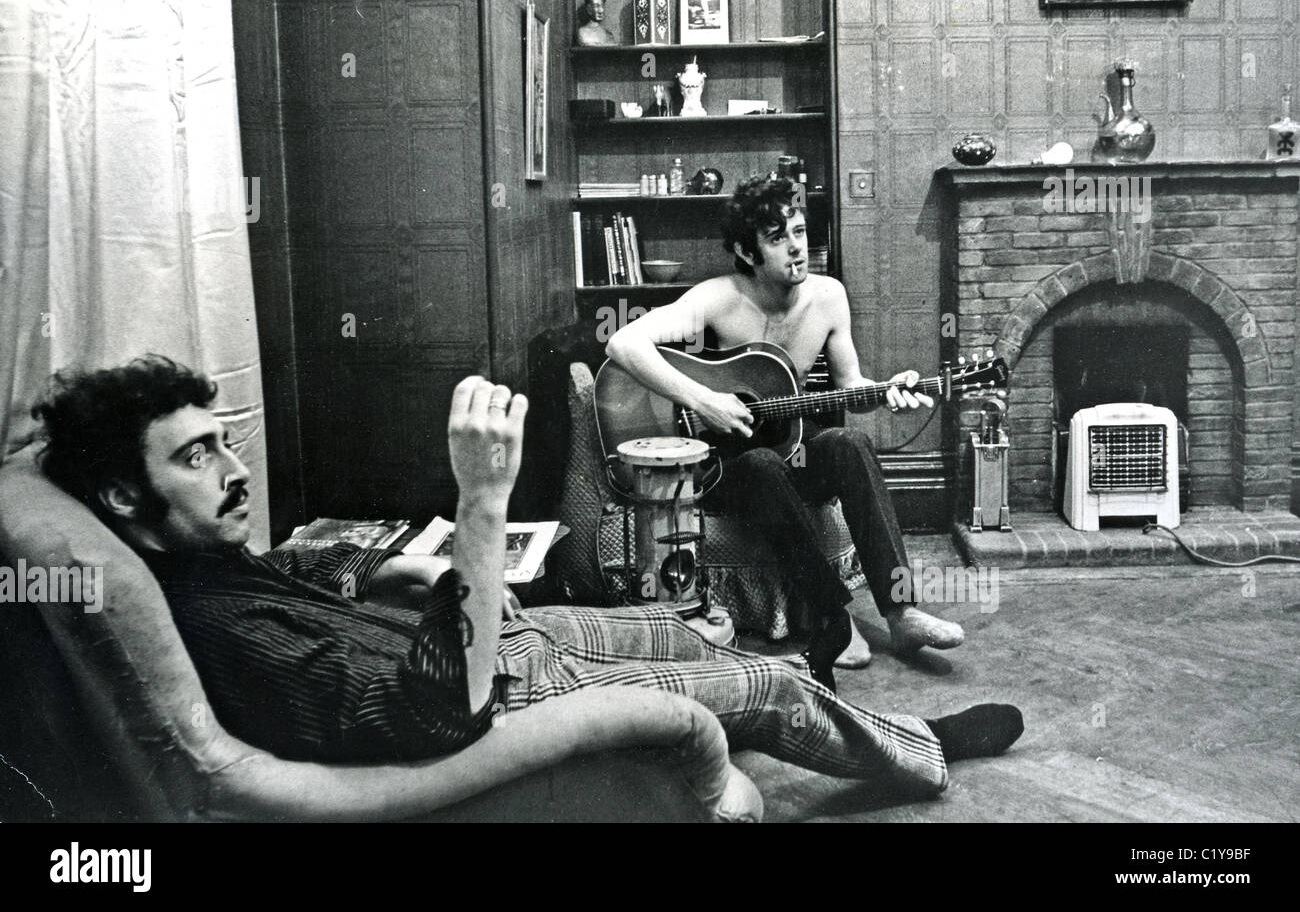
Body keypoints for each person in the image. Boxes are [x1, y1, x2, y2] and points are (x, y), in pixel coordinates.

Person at [30, 355, 1022, 805]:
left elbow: (323, 588)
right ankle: (922, 754)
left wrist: (423, 573)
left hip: (500, 647)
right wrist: (479, 500)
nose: (235, 470)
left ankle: (825, 724)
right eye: (196, 457)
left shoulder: (207, 565)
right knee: (765, 682)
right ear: (122, 494)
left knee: (693, 632)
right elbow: (430, 713)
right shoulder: (221, 629)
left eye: (224, 444)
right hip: (503, 693)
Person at [605, 175, 966, 687]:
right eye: (778, 238)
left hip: (788, 454)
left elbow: (850, 385)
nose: (797, 247)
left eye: (798, 230)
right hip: (721, 469)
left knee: (848, 442)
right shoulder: (716, 299)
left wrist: (890, 393)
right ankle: (831, 618)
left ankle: (901, 613)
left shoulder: (828, 298)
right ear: (746, 252)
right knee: (759, 463)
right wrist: (704, 399)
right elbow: (623, 343)